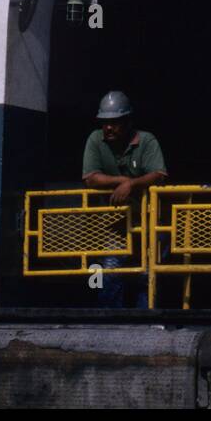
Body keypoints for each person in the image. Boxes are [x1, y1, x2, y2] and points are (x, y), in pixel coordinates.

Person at [82, 90, 167, 307]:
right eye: (105, 122)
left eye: (115, 122)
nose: (108, 127)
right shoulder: (95, 139)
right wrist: (121, 180)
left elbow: (159, 175)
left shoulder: (146, 140)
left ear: (128, 121)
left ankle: (149, 326)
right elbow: (90, 178)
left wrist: (132, 184)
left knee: (147, 275)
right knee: (108, 272)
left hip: (149, 222)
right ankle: (109, 326)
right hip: (114, 224)